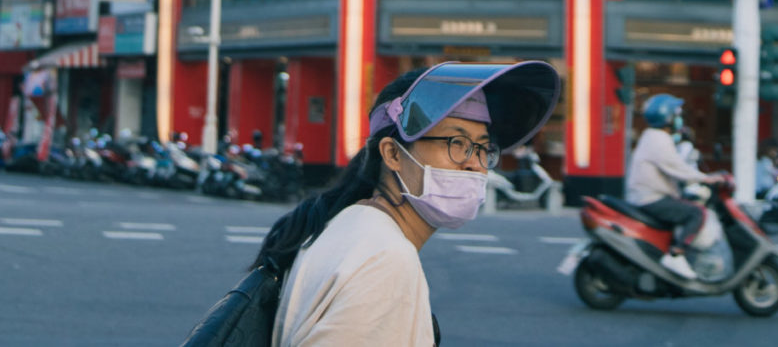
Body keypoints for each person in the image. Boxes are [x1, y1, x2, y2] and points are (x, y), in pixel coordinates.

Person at [258, 59, 559, 346]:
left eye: (482, 147)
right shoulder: (385, 259)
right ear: (393, 154)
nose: (474, 164)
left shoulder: (355, 227)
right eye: (456, 143)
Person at [626, 94, 716, 283]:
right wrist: (708, 178)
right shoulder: (658, 139)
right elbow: (677, 168)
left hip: (646, 196)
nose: (679, 119)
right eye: (677, 115)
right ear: (666, 116)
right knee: (696, 213)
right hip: (651, 199)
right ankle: (676, 255)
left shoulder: (652, 136)